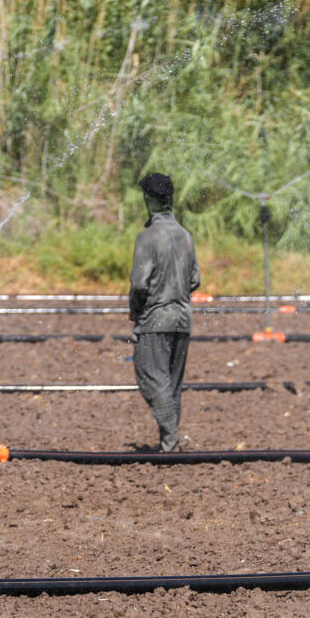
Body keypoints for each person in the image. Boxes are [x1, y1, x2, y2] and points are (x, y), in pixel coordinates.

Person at [129, 173, 201, 452]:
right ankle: (168, 443)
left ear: (148, 199)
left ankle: (170, 440)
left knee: (149, 375)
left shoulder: (147, 237)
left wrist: (136, 313)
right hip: (183, 320)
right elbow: (195, 280)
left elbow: (139, 283)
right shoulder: (185, 235)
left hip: (155, 319)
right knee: (171, 383)